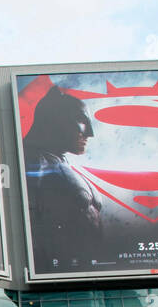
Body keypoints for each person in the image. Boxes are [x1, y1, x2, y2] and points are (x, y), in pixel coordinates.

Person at [22, 89, 102, 274]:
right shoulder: (30, 161)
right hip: (60, 281)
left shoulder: (56, 162)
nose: (89, 133)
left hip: (91, 275)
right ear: (55, 120)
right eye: (82, 121)